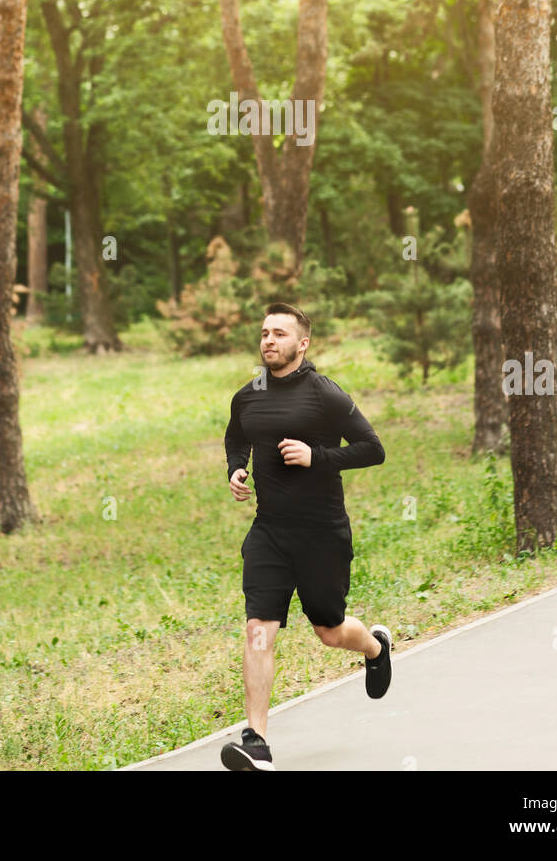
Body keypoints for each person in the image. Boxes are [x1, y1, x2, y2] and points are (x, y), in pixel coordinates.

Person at [220, 302, 392, 772]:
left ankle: (375, 646)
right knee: (259, 628)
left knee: (330, 631)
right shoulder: (248, 394)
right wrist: (237, 468)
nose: (269, 341)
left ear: (303, 343)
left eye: (279, 333)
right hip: (269, 532)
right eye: (264, 333)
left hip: (322, 535)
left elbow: (373, 450)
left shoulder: (325, 395)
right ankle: (256, 740)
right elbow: (237, 436)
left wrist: (318, 457)